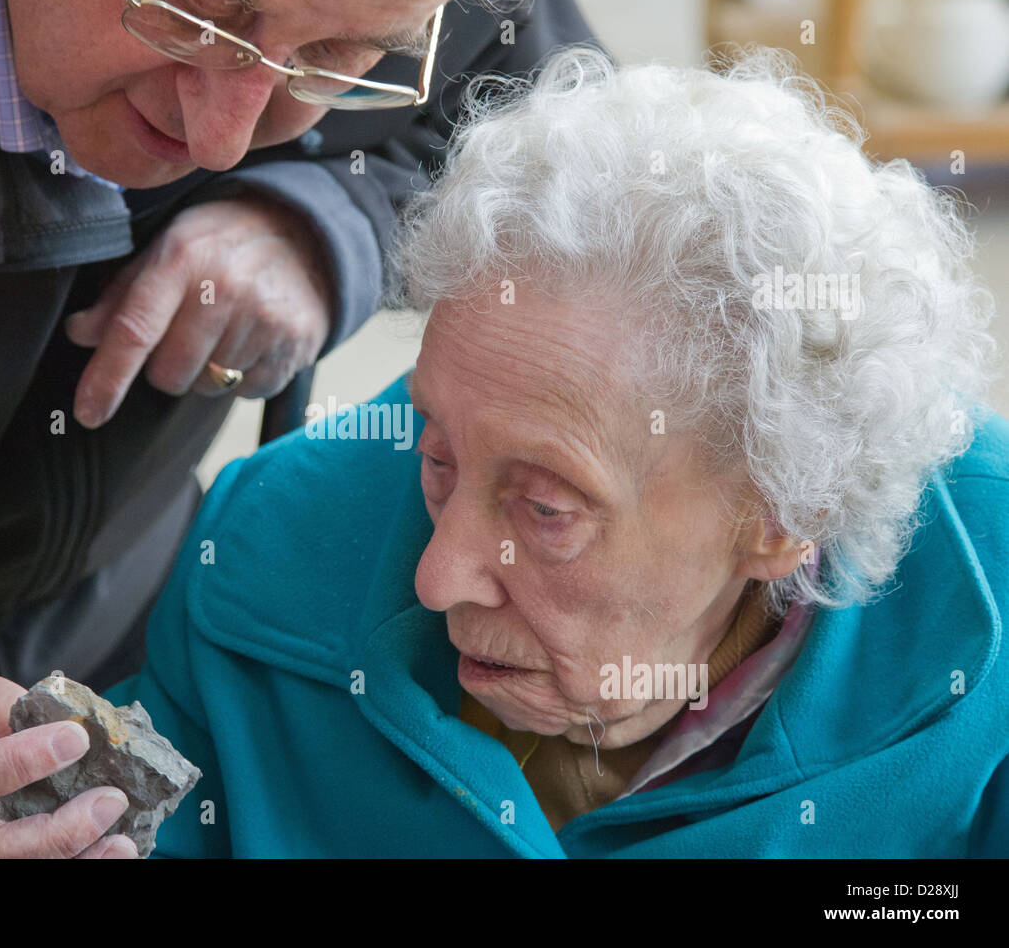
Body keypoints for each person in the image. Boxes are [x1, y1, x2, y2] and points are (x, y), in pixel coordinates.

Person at [0, 0, 599, 857]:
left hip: (139, 624)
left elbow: (573, 151)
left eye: (338, 57)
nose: (223, 138)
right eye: (200, 14)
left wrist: (329, 223)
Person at [105, 45, 1009, 856]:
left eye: (547, 512)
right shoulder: (262, 555)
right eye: (438, 458)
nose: (439, 577)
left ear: (785, 513)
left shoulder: (987, 605)